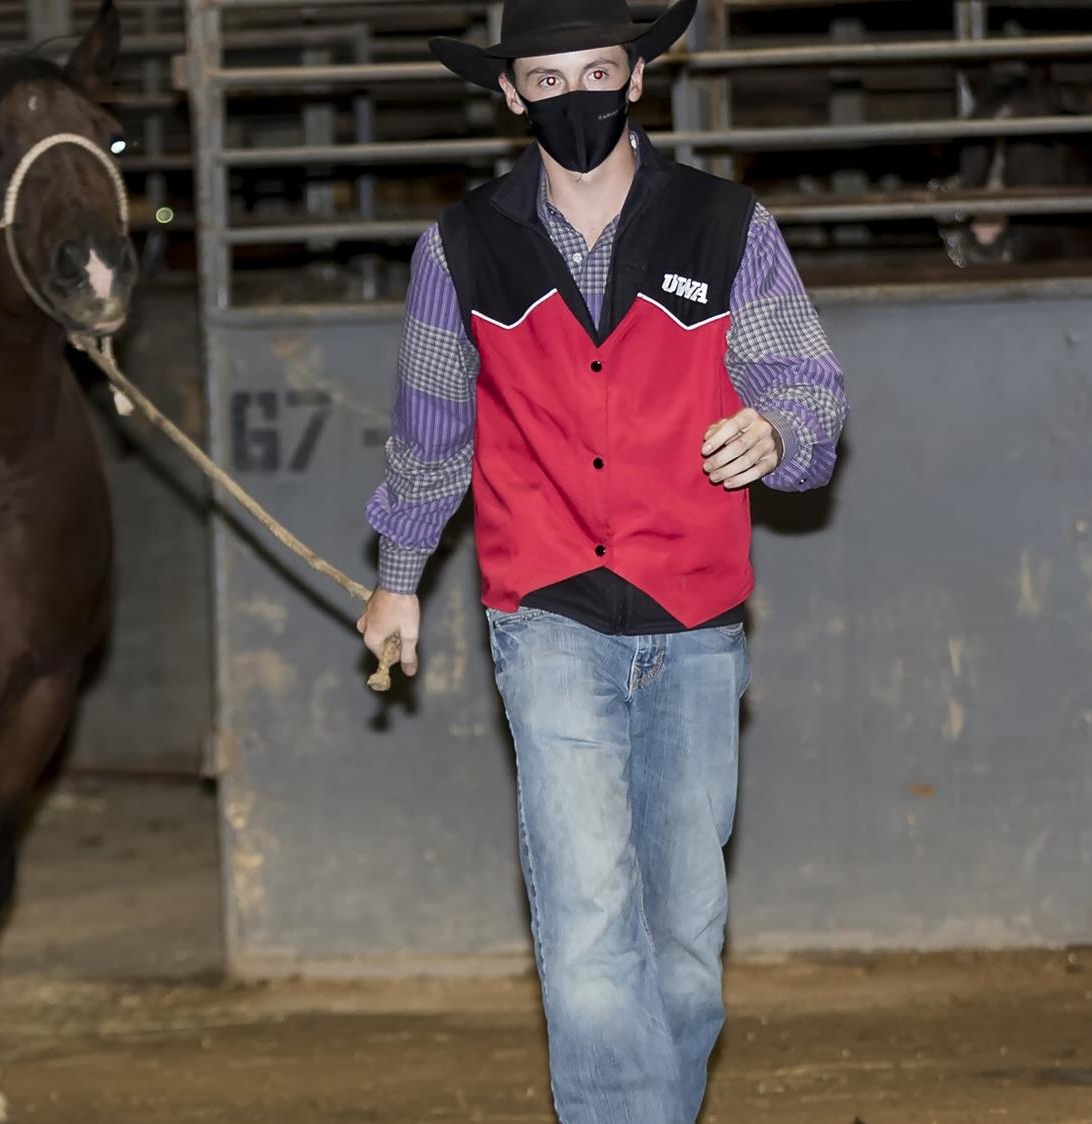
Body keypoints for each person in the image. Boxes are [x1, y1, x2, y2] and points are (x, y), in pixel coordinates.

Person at [357, 1, 848, 1121]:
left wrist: (774, 430)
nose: (572, 93)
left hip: (693, 613)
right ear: (509, 92)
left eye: (595, 69)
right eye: (546, 75)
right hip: (544, 612)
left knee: (681, 934)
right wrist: (397, 579)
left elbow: (808, 389)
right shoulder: (460, 247)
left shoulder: (727, 226)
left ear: (634, 78)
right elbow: (431, 429)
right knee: (585, 915)